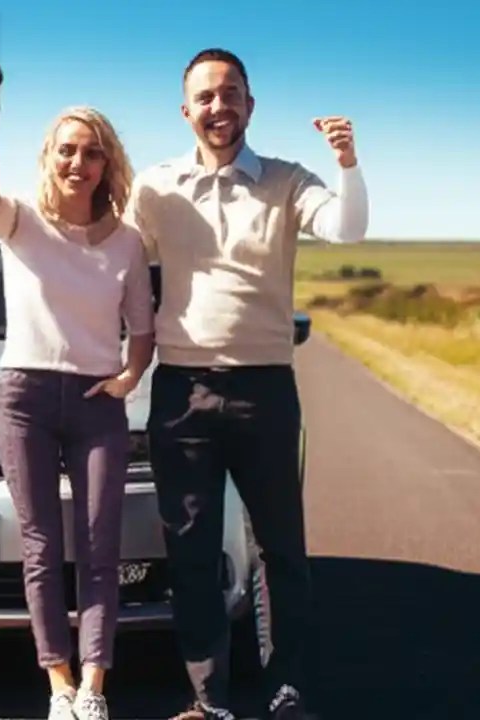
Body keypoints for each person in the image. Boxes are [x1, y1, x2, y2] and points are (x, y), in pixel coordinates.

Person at [125, 48, 370, 720]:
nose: (218, 107)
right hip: (181, 392)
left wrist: (347, 163)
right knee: (193, 552)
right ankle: (211, 698)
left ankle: (286, 683)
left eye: (230, 93)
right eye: (205, 96)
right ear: (186, 112)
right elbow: (112, 261)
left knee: (282, 547)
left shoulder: (288, 180)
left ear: (249, 105)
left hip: (265, 390)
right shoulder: (155, 188)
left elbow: (346, 228)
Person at [0, 56, 156, 720]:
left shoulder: (128, 242)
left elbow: (143, 327)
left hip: (98, 406)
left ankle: (96, 692)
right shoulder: (20, 221)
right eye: (67, 150)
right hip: (26, 399)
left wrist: (129, 377)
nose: (79, 163)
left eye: (92, 153)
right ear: (49, 156)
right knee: (43, 544)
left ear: (107, 164)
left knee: (101, 546)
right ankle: (60, 688)